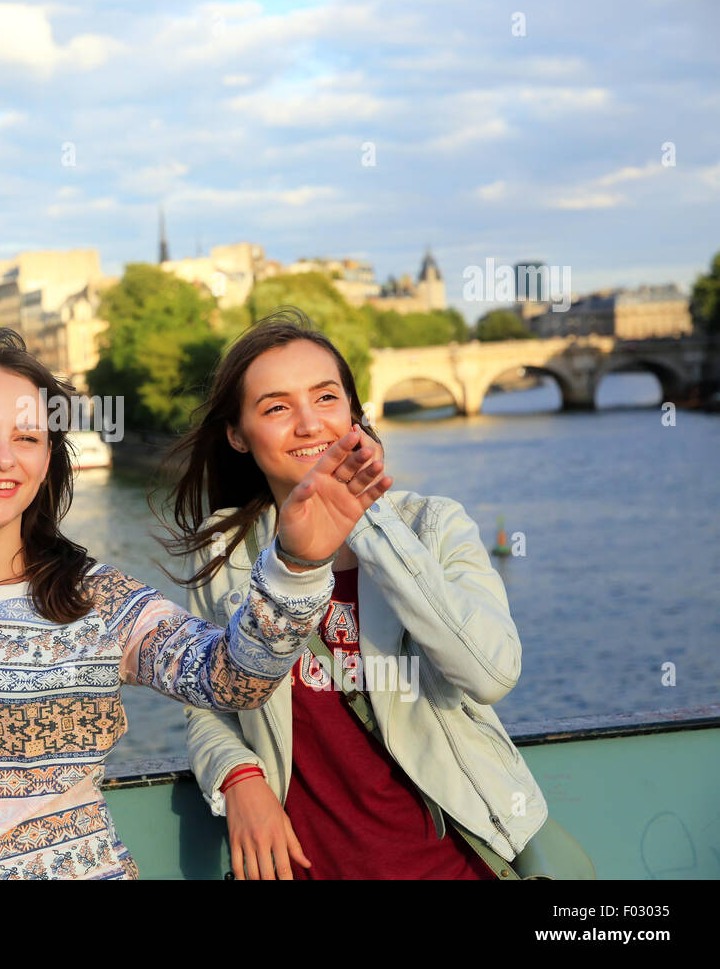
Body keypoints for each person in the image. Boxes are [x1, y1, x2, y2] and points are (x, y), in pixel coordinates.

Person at [0, 326, 390, 879]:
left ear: (46, 458)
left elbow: (232, 680)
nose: (4, 458)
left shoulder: (95, 597)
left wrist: (297, 564)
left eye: (27, 438)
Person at [161, 309, 549, 880]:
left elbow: (491, 672)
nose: (309, 424)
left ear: (353, 415)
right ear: (238, 436)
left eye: (325, 398)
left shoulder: (433, 526)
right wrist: (238, 777)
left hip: (456, 867)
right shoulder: (224, 550)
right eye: (276, 407)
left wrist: (365, 517)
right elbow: (207, 703)